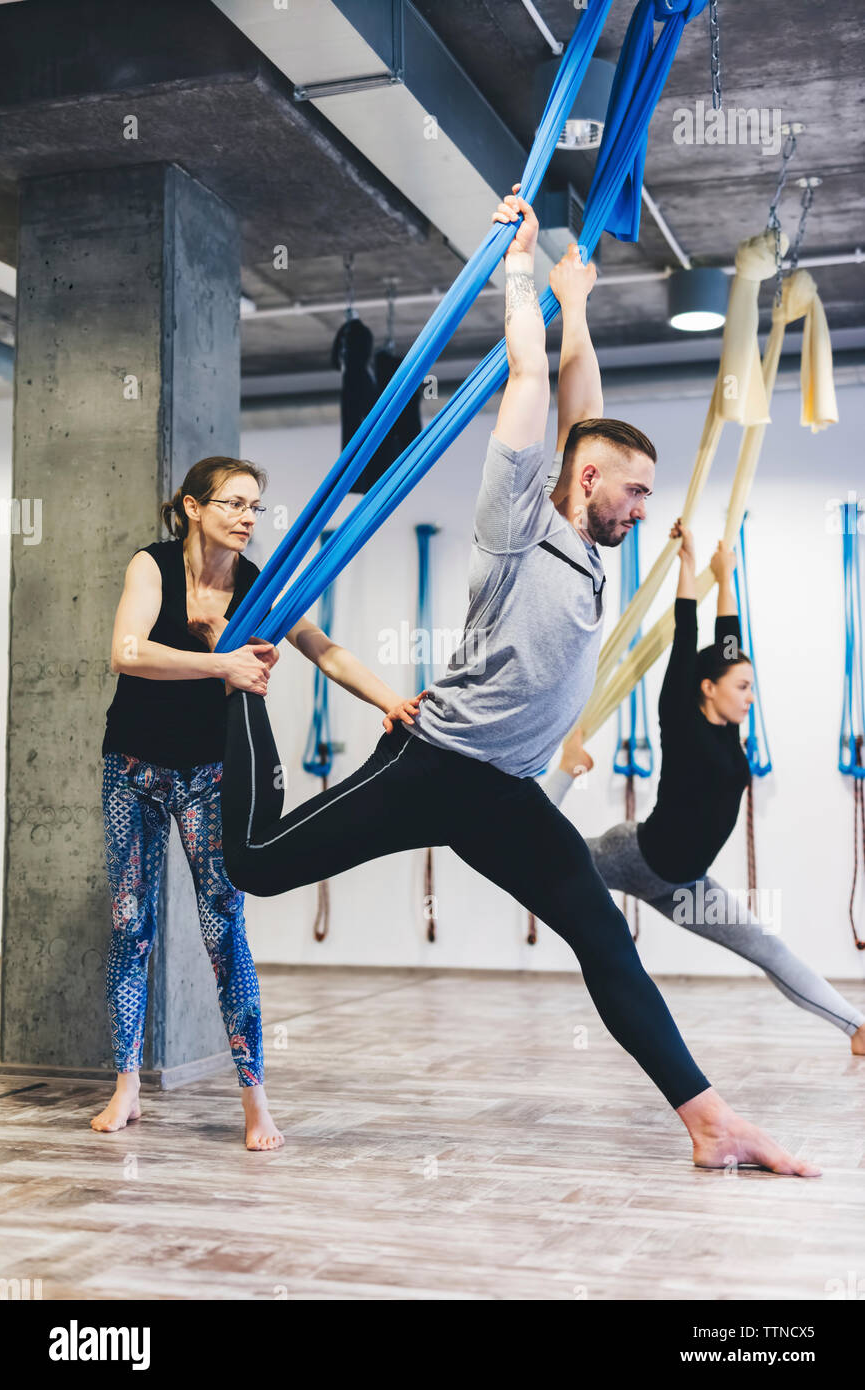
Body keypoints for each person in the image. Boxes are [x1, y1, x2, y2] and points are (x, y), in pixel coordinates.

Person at [216, 187, 820, 1176]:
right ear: (584, 484)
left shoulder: (596, 551)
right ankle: (235, 695)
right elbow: (536, 382)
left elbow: (584, 400)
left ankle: (709, 1118)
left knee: (599, 933)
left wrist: (579, 299)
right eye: (633, 489)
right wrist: (522, 266)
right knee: (255, 865)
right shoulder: (517, 527)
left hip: (502, 792)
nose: (642, 507)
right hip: (434, 763)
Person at [93, 456, 423, 1149]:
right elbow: (127, 651)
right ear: (191, 507)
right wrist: (222, 662)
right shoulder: (152, 567)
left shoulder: (260, 589)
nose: (248, 518)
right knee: (130, 924)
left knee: (224, 929)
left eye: (255, 507)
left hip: (209, 774)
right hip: (132, 768)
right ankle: (126, 1086)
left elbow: (324, 649)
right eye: (234, 504)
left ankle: (255, 1101)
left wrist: (390, 700)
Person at [546, 522, 865, 1051]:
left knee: (766, 946)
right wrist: (689, 564)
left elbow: (727, 643)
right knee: (544, 852)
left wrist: (726, 576)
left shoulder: (728, 726)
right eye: (742, 687)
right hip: (632, 855)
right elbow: (689, 635)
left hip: (686, 886)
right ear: (707, 688)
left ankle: (857, 1028)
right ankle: (566, 764)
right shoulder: (679, 714)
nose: (750, 697)